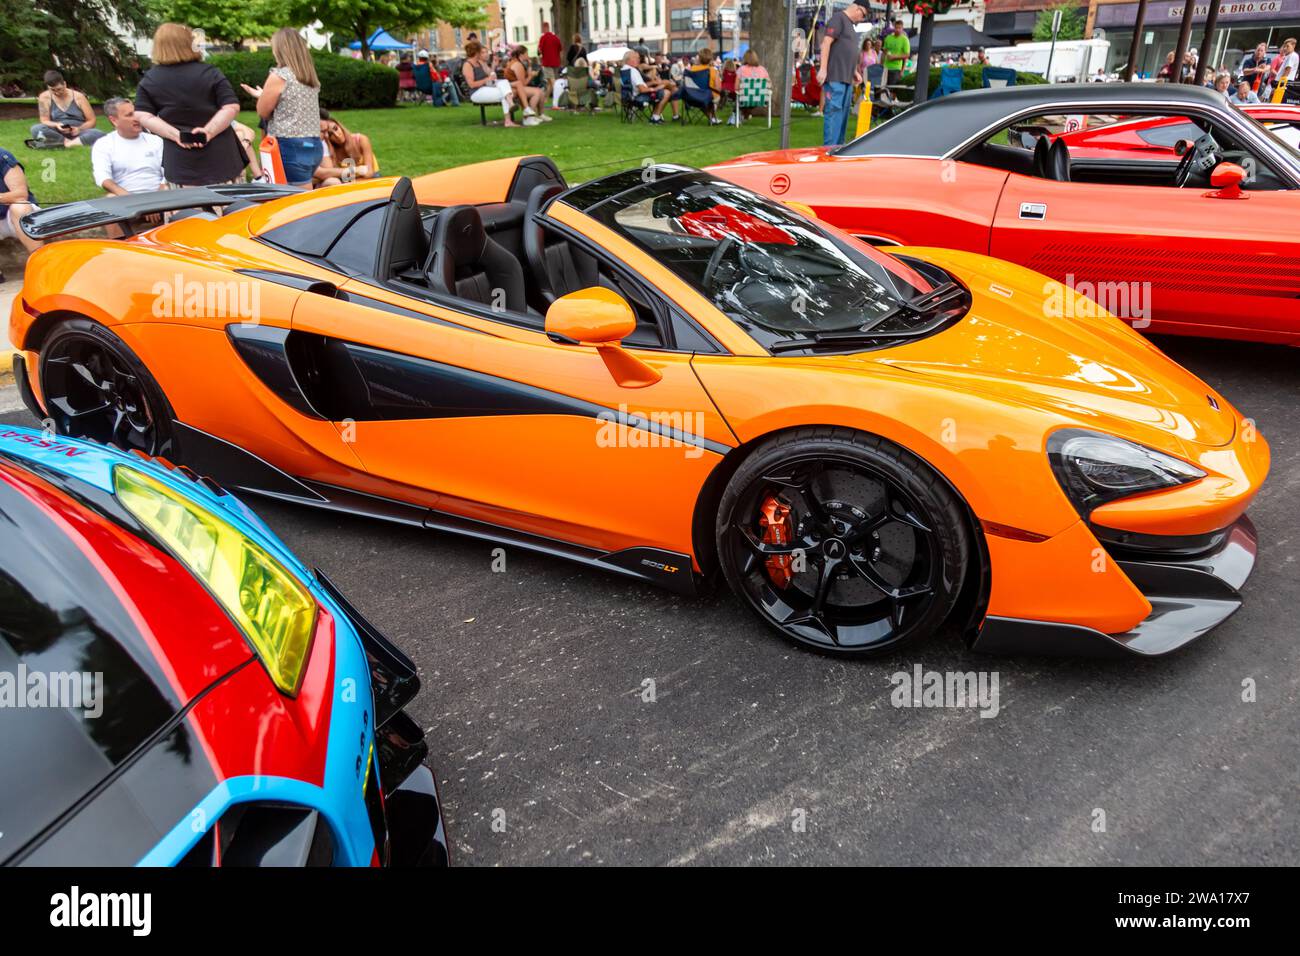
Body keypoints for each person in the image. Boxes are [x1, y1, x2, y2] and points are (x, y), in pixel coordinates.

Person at [134, 23, 244, 187]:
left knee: (189, 209)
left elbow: (143, 115)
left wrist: (176, 135)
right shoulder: (210, 72)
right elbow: (231, 107)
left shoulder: (150, 79)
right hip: (221, 156)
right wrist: (208, 131)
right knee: (232, 207)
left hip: (180, 160)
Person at [239, 28, 322, 188]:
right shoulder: (309, 77)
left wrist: (262, 98)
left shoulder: (279, 75)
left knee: (294, 203)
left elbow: (262, 111)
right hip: (313, 145)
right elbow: (292, 102)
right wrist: (263, 95)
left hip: (289, 145)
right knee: (304, 194)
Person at [91, 98, 164, 196]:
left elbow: (168, 173)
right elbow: (103, 178)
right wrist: (129, 198)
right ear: (114, 120)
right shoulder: (104, 144)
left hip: (160, 195)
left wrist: (161, 196)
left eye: (136, 113)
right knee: (110, 197)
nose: (136, 118)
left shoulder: (155, 141)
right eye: (129, 115)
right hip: (125, 197)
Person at [819, 0, 867, 147]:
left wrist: (854, 72)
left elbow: (844, 51)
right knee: (833, 115)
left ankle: (838, 150)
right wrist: (823, 69)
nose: (862, 19)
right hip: (835, 78)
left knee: (842, 117)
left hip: (846, 79)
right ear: (858, 9)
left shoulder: (849, 25)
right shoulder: (838, 18)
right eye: (863, 15)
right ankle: (829, 151)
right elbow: (826, 43)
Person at [28, 70, 105, 148]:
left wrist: (79, 129)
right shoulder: (44, 97)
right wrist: (57, 124)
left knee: (97, 133)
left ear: (64, 84)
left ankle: (50, 144)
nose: (57, 93)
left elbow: (92, 120)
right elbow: (44, 120)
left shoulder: (79, 97)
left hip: (78, 131)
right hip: (57, 132)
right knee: (36, 129)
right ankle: (70, 143)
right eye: (52, 90)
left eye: (59, 89)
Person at [0, 147, 42, 272]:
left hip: (13, 216)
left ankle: (40, 263)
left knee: (20, 207)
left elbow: (20, 194)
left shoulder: (2, 156)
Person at [314, 109, 379, 187]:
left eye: (336, 128)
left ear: (340, 126)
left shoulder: (360, 140)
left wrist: (351, 182)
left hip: (371, 180)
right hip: (348, 185)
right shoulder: (330, 151)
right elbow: (330, 174)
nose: (337, 135)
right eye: (331, 134)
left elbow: (369, 172)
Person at [463, 40, 518, 126]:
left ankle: (509, 115)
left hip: (485, 89)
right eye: (480, 51)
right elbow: (471, 84)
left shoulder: (479, 62)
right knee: (505, 93)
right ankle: (508, 119)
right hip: (476, 93)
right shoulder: (467, 65)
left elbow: (491, 74)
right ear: (476, 52)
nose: (482, 53)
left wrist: (494, 65)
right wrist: (487, 79)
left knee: (504, 82)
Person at [623, 50, 678, 124]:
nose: (638, 60)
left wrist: (654, 83)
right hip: (638, 98)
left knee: (667, 86)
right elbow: (642, 90)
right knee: (666, 92)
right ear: (630, 60)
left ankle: (659, 116)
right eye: (636, 58)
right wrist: (655, 89)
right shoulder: (633, 71)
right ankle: (655, 118)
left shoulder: (624, 70)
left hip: (628, 97)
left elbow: (638, 85)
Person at [506, 46, 548, 125]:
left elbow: (525, 80)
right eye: (526, 53)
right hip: (513, 88)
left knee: (540, 91)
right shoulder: (517, 64)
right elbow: (523, 83)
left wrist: (529, 65)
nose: (528, 55)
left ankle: (539, 115)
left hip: (516, 87)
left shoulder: (519, 62)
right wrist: (531, 76)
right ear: (521, 55)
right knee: (537, 92)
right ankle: (528, 118)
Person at [686, 48, 723, 125]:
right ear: (710, 59)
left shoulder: (691, 69)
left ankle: (712, 118)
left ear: (699, 58)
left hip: (693, 97)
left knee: (703, 99)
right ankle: (712, 117)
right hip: (709, 97)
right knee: (716, 96)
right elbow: (718, 88)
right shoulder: (713, 70)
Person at [735, 49, 770, 124]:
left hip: (745, 98)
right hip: (761, 99)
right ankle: (745, 115)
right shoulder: (762, 69)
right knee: (752, 98)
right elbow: (769, 84)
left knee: (742, 97)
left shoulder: (741, 69)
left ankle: (741, 115)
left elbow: (736, 87)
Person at [538, 21, 563, 101]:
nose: (541, 29)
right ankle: (545, 99)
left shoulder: (543, 38)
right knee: (549, 83)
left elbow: (539, 50)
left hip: (547, 63)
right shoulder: (556, 38)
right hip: (556, 63)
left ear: (545, 27)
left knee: (553, 82)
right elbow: (560, 50)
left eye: (542, 28)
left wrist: (539, 56)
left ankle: (560, 98)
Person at [883, 20, 909, 87]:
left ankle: (891, 97)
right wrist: (881, 65)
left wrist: (894, 57)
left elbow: (907, 55)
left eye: (899, 28)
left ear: (902, 28)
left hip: (896, 69)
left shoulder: (904, 40)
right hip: (885, 67)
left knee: (892, 89)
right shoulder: (888, 38)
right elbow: (884, 51)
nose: (897, 30)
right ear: (894, 27)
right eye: (896, 28)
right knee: (883, 87)